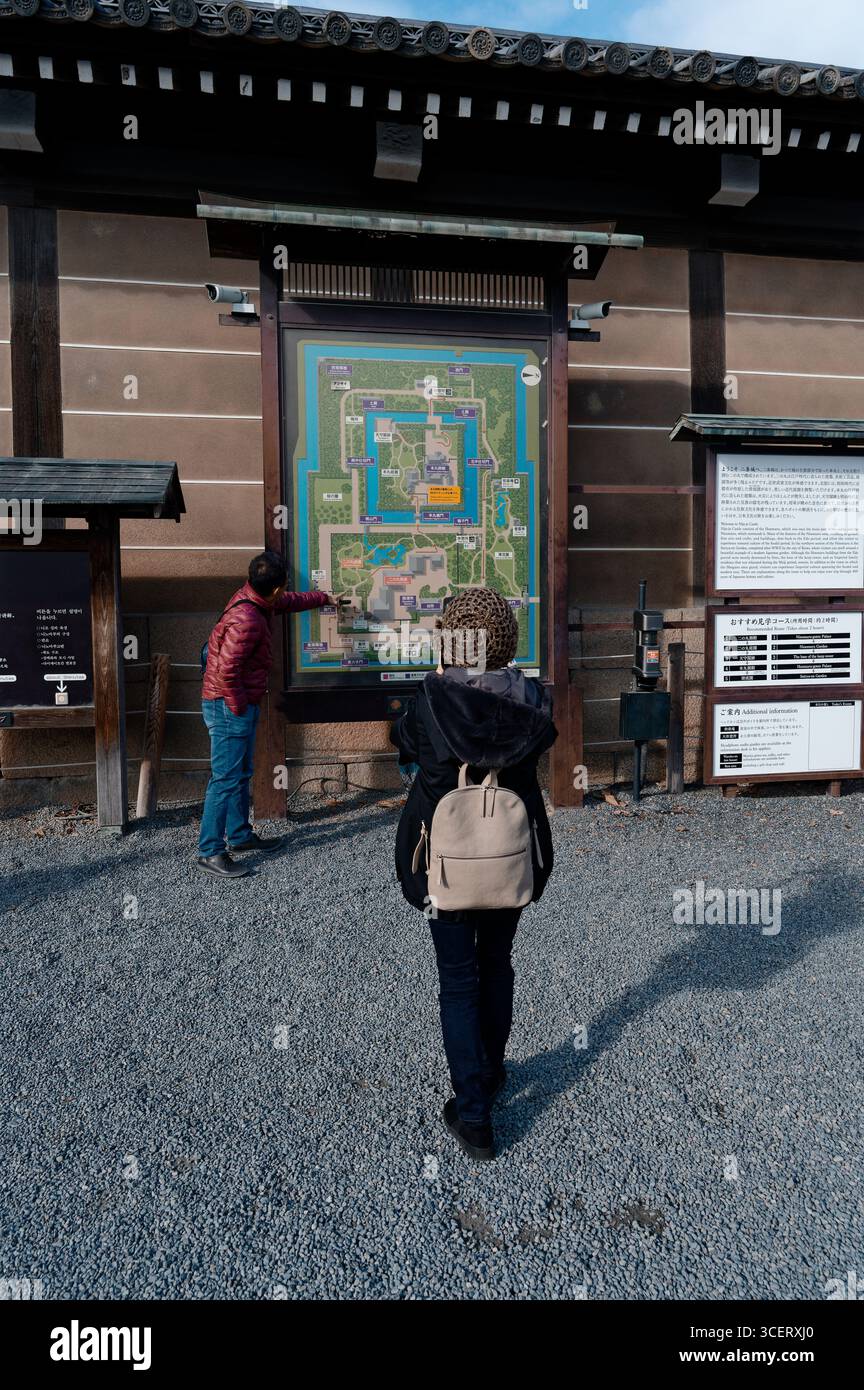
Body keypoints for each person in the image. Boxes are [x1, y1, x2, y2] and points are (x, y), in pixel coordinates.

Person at [390, 587, 557, 1161]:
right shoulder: (533, 700)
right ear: (507, 639)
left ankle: (474, 1113)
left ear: (450, 638)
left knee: (458, 980)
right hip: (509, 857)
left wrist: (442, 677)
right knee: (497, 966)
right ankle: (488, 1075)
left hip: (447, 860)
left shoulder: (433, 698)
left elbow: (405, 743)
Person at [197, 549, 333, 878]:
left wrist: (323, 598)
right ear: (274, 588)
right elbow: (228, 672)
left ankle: (240, 836)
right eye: (285, 586)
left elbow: (287, 603)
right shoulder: (247, 620)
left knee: (240, 774)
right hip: (229, 705)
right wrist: (240, 707)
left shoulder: (254, 598)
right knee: (225, 780)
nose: (286, 591)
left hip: (235, 703)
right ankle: (210, 850)